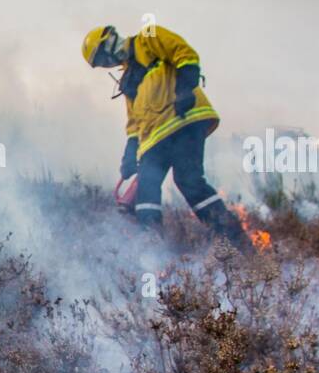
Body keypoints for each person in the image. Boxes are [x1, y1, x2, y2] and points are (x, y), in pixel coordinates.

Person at [82, 24, 246, 247]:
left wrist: (185, 90)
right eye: (100, 64)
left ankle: (234, 241)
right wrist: (129, 155)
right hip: (154, 138)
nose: (107, 64)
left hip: (184, 121)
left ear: (109, 40)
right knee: (146, 190)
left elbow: (184, 54)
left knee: (188, 180)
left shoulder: (148, 38)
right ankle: (153, 251)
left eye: (102, 57)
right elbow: (133, 122)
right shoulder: (128, 79)